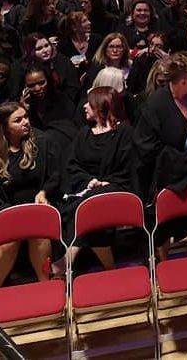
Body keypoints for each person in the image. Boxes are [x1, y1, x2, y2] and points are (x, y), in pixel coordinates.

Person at [134, 52, 187, 259]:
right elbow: (148, 148)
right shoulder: (156, 104)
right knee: (163, 215)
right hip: (165, 172)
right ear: (184, 80)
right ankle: (163, 263)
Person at [51, 86, 134, 277]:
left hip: (117, 188)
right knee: (92, 212)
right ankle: (110, 271)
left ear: (102, 106)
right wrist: (90, 181)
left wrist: (105, 183)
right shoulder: (84, 134)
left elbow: (128, 166)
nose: (85, 106)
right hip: (88, 190)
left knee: (89, 206)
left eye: (90, 103)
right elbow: (72, 165)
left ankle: (67, 260)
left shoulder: (124, 132)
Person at [0, 101, 60, 286]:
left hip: (37, 210)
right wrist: (12, 213)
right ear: (4, 127)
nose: (26, 122)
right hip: (4, 214)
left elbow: (55, 175)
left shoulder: (41, 141)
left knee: (39, 232)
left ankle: (45, 284)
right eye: (18, 120)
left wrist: (44, 192)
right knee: (9, 239)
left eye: (26, 117)